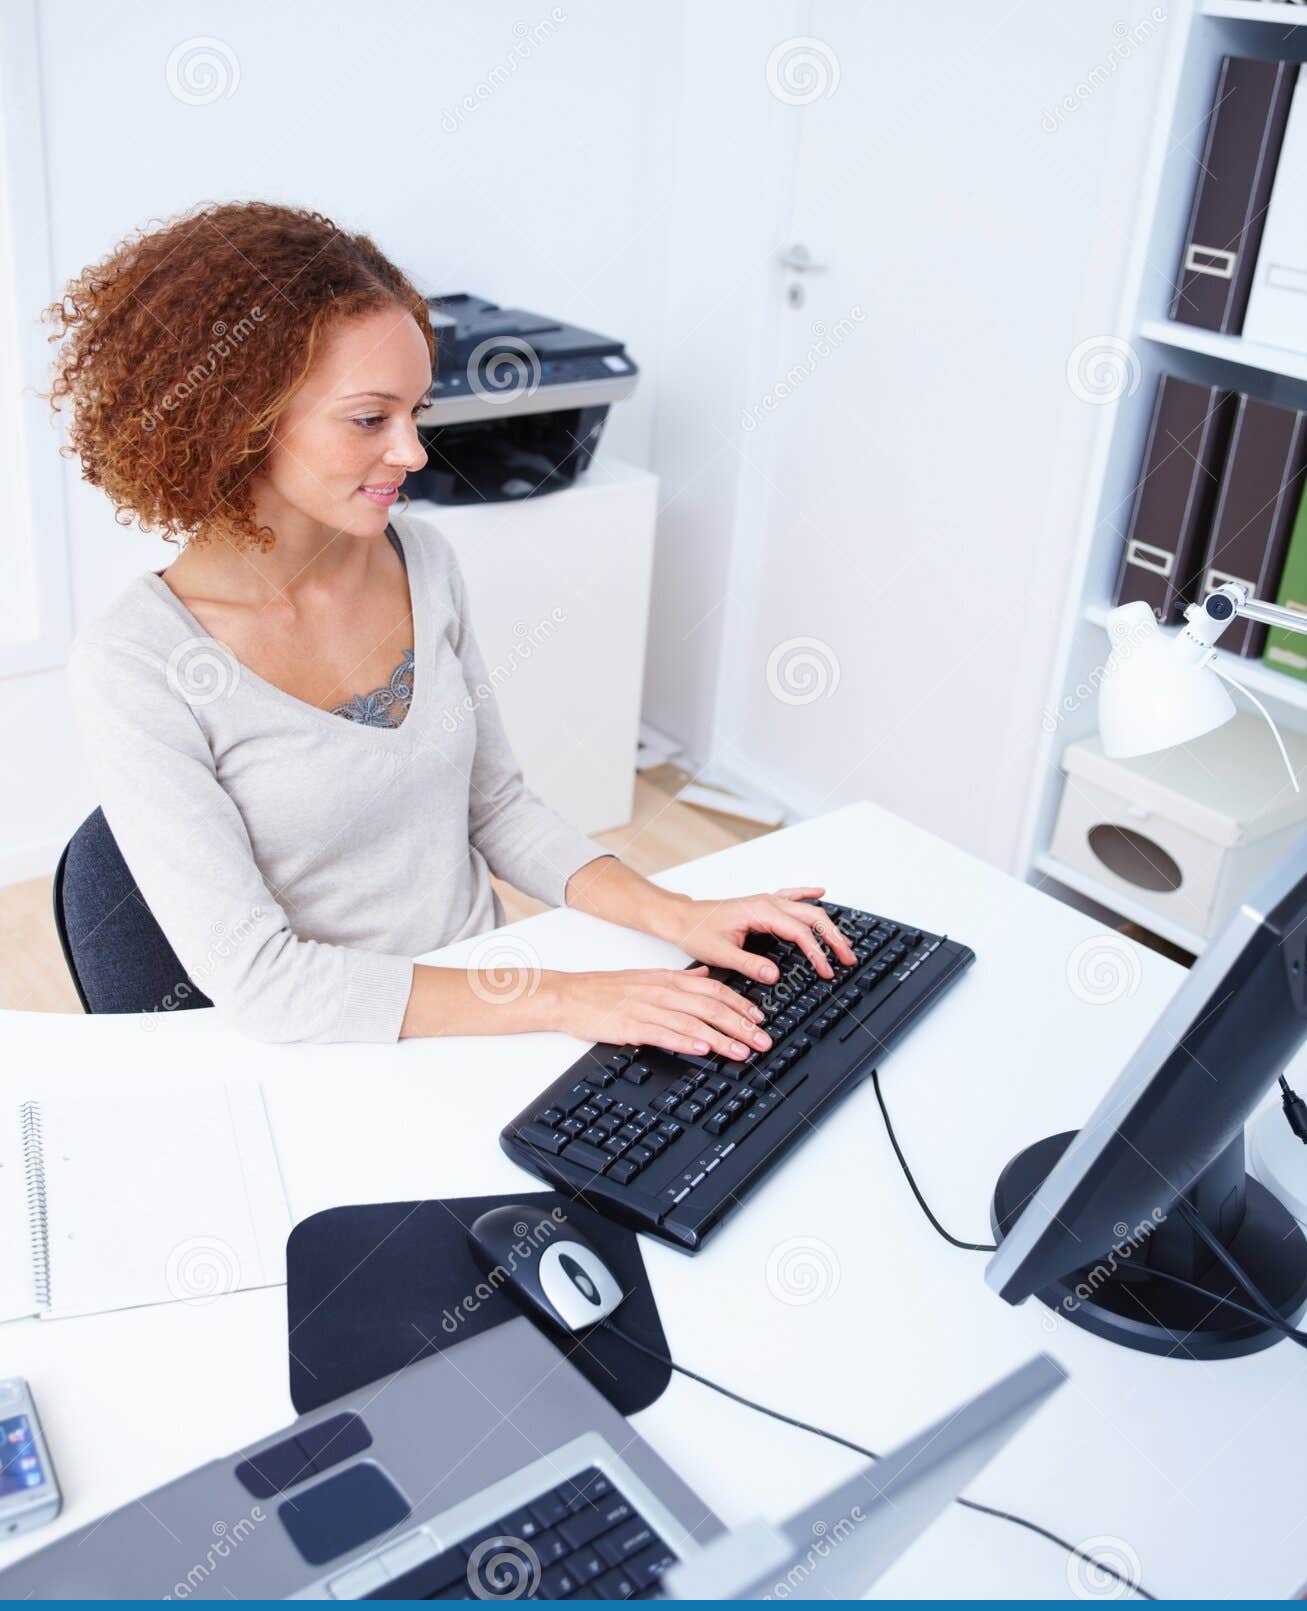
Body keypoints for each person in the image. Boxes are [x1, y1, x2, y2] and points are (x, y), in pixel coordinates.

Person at [48, 200, 855, 1048]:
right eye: (369, 419)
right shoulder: (136, 664)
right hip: (342, 1044)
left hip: (496, 992)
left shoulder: (419, 557)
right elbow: (265, 982)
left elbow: (496, 806)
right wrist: (569, 998)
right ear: (235, 420)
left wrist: (677, 914)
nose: (413, 454)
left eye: (416, 413)